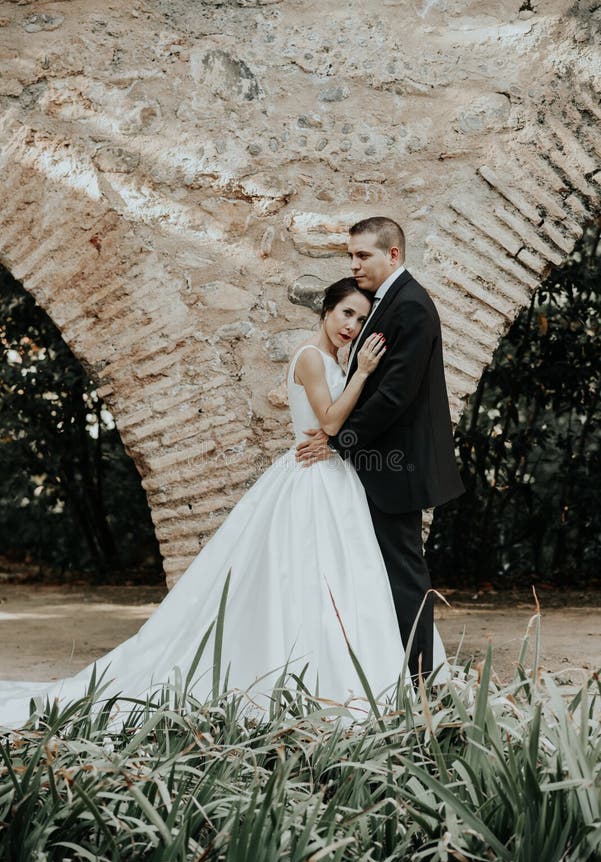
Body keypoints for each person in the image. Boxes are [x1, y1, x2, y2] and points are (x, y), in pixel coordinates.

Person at [0, 277, 446, 730]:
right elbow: (329, 421)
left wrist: (350, 404)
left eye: (360, 317)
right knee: (307, 576)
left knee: (348, 579)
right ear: (326, 310)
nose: (352, 324)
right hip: (312, 481)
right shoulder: (312, 358)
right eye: (345, 313)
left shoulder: (337, 358)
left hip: (335, 479)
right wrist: (365, 375)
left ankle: (354, 672)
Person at [296, 218, 464, 681]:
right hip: (373, 467)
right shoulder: (385, 302)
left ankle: (423, 682)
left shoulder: (410, 306)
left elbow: (396, 395)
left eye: (363, 255)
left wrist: (337, 441)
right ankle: (388, 673)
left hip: (396, 467)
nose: (354, 265)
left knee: (404, 573)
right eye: (350, 256)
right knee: (378, 573)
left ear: (393, 255)